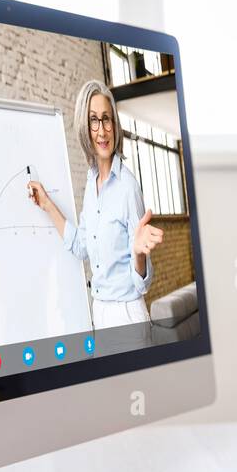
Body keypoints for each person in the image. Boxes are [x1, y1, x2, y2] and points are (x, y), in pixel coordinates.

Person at [28, 79, 162, 331]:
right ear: (85, 127)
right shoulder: (91, 185)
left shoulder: (127, 187)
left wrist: (139, 252)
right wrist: (46, 203)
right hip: (99, 312)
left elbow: (142, 283)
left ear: (114, 124)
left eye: (106, 119)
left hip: (127, 314)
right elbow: (81, 246)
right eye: (93, 120)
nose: (102, 130)